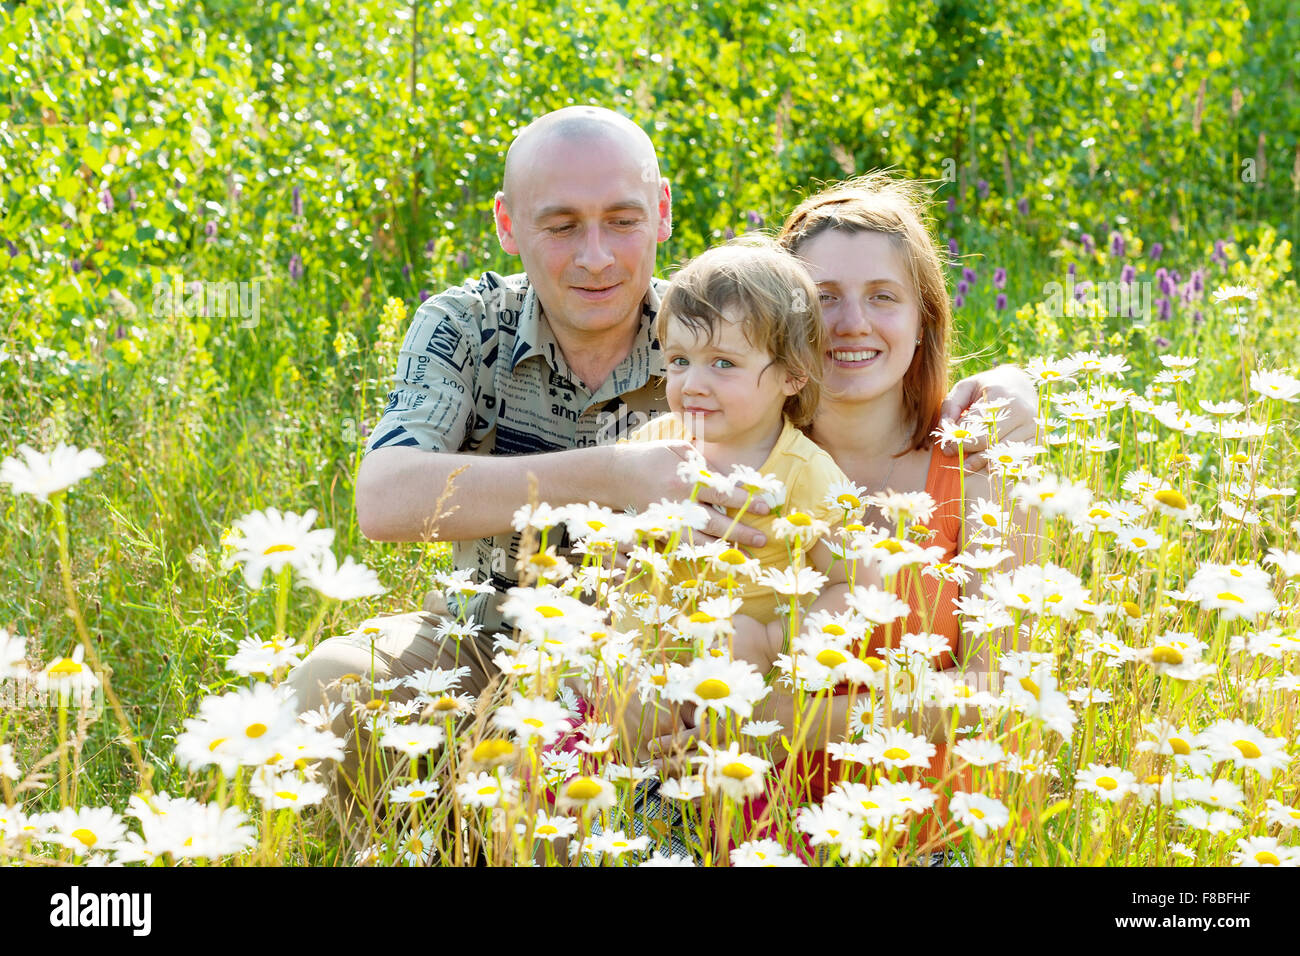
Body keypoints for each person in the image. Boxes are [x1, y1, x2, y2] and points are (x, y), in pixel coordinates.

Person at [288, 106, 1037, 836]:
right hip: (527, 644)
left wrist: (1012, 391)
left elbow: (856, 429)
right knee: (335, 692)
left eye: (621, 219)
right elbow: (383, 500)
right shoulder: (497, 327)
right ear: (509, 225)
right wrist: (617, 474)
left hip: (702, 692)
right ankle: (447, 844)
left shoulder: (725, 340)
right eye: (561, 225)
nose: (596, 257)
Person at [649, 173, 1031, 859]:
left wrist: (769, 714)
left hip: (924, 838)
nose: (852, 323)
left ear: (925, 322)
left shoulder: (984, 462)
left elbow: (998, 692)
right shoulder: (721, 459)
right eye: (824, 299)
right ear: (782, 326)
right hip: (734, 832)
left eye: (883, 297)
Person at [599, 237, 866, 751]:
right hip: (639, 672)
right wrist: (624, 548)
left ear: (793, 375)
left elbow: (848, 583)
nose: (693, 384)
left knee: (716, 787)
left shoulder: (805, 473)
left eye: (723, 363)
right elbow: (608, 545)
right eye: (679, 361)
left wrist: (776, 641)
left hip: (737, 686)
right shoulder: (651, 450)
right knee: (614, 758)